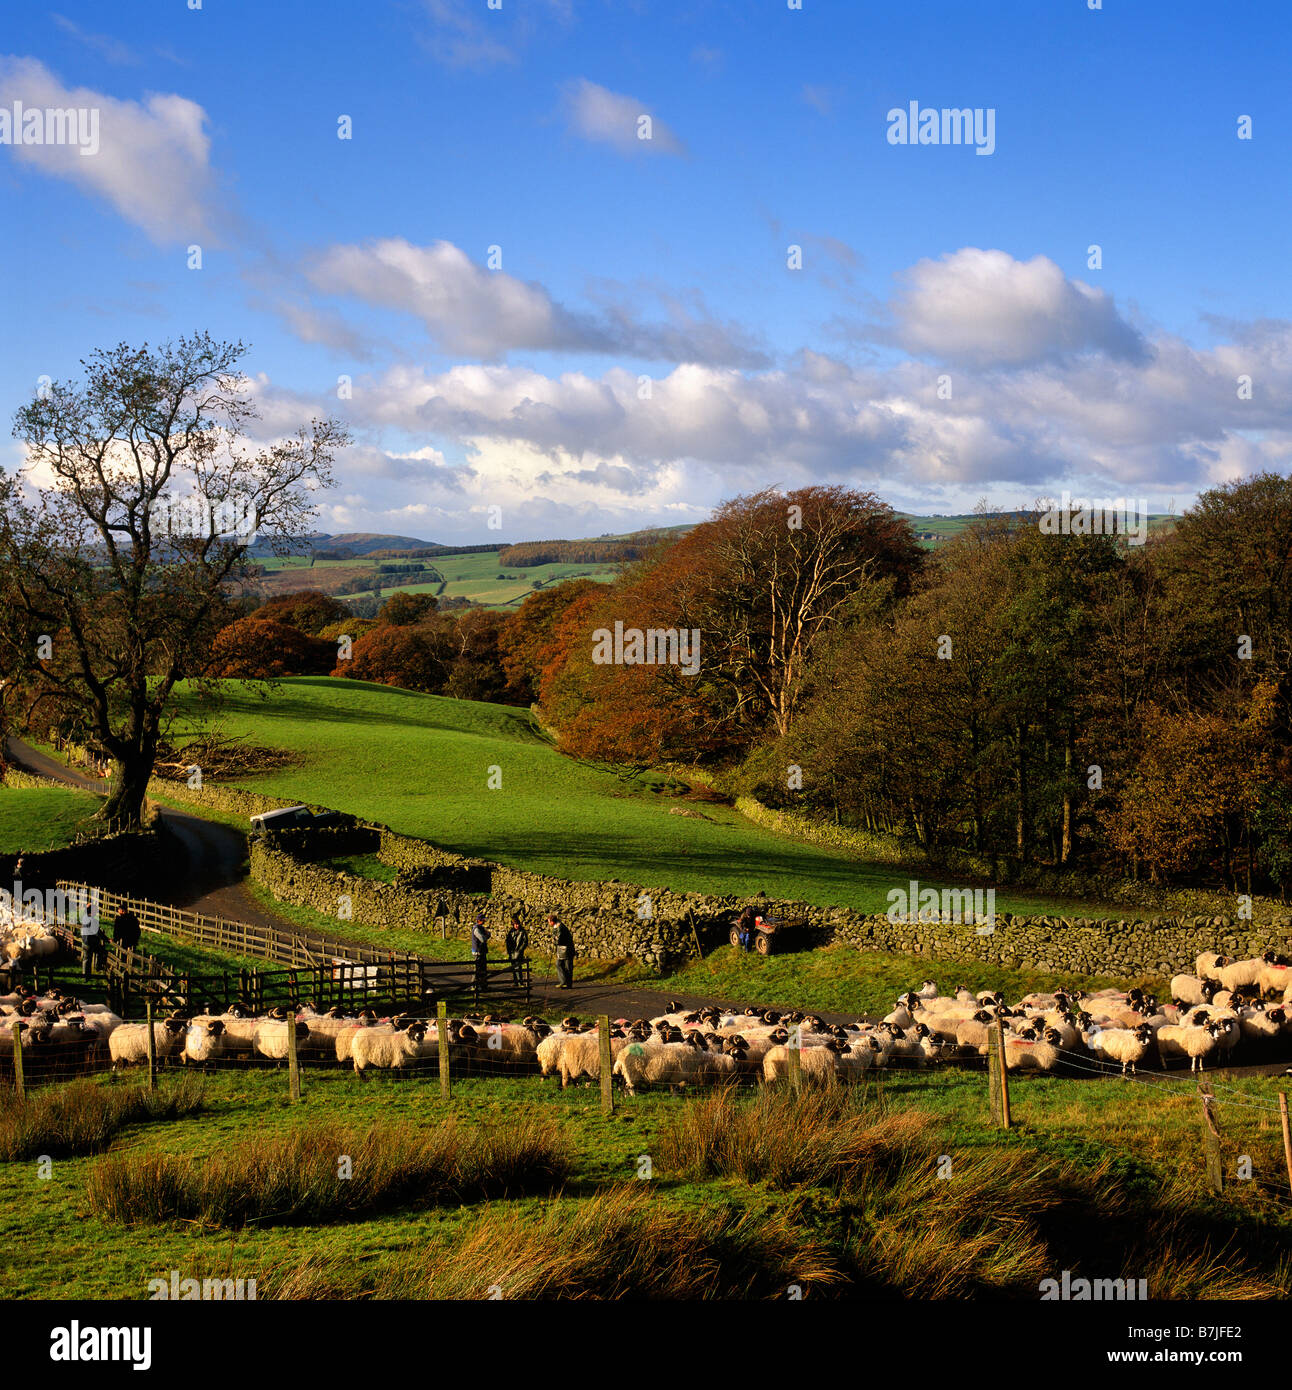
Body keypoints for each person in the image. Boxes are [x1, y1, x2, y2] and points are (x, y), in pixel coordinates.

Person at [551, 914, 576, 990]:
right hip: (561, 950)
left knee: (568, 966)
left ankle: (568, 984)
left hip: (567, 949)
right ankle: (563, 982)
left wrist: (554, 941)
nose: (548, 923)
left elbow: (559, 940)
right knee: (559, 964)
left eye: (549, 922)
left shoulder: (560, 927)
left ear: (552, 921)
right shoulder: (556, 927)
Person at [505, 914, 528, 990]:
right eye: (515, 924)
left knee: (518, 967)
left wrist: (520, 950)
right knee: (513, 968)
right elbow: (507, 941)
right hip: (512, 952)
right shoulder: (510, 932)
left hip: (518, 952)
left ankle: (520, 982)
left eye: (517, 924)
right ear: (513, 925)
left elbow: (525, 942)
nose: (517, 926)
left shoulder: (522, 932)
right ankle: (515, 982)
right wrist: (509, 951)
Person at [470, 913, 490, 992]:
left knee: (483, 970)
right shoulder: (477, 929)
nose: (484, 921)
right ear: (479, 920)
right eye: (483, 920)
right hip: (478, 952)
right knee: (477, 970)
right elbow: (483, 939)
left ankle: (482, 985)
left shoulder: (480, 928)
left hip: (482, 951)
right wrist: (487, 935)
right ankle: (473, 986)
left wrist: (487, 935)